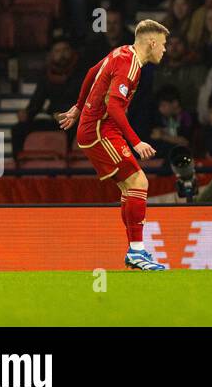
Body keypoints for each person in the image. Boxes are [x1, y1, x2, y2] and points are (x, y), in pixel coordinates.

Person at [55, 19, 170, 271]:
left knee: (130, 188)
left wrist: (77, 107)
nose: (164, 50)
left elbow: (90, 73)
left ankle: (135, 252)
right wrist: (136, 141)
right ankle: (137, 252)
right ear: (151, 43)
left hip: (97, 127)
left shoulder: (120, 52)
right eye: (162, 44)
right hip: (99, 130)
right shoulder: (130, 65)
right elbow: (114, 106)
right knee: (139, 182)